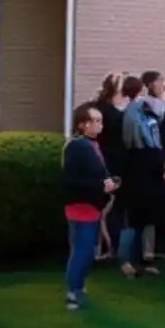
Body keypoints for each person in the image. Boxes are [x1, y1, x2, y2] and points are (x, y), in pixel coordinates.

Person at [62, 103, 118, 310]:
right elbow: (70, 180)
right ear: (83, 124)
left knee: (87, 250)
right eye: (95, 120)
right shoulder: (77, 146)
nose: (100, 125)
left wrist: (108, 183)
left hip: (92, 207)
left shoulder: (92, 145)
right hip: (81, 207)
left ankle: (78, 287)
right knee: (82, 251)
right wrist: (101, 186)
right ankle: (73, 293)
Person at [119, 74, 163, 278]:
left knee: (142, 216)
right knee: (136, 216)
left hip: (140, 164)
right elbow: (145, 136)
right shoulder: (137, 111)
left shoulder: (134, 110)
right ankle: (127, 260)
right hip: (142, 163)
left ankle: (141, 258)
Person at [92, 73, 128, 257]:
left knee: (102, 207)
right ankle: (110, 247)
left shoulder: (97, 108)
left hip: (99, 161)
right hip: (113, 163)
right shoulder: (114, 115)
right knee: (112, 208)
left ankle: (100, 247)